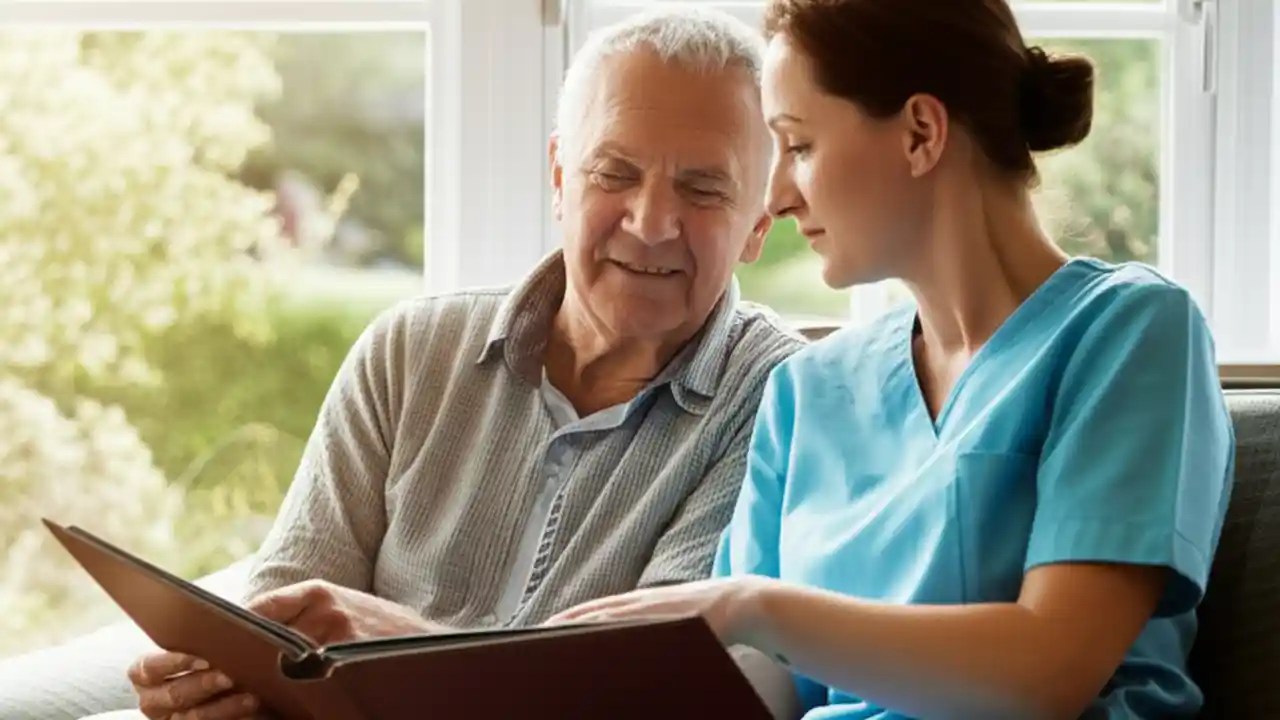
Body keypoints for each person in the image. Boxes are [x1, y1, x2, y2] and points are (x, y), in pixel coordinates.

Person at [549, 0, 1236, 718]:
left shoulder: (1129, 332)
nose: (777, 195)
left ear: (919, 134)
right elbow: (760, 685)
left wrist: (755, 606)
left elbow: (1051, 669)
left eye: (800, 146)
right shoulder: (806, 391)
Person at [118, 8, 803, 720]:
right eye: (614, 172)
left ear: (758, 223)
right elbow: (286, 613)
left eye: (702, 190)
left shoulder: (781, 402)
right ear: (560, 176)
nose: (651, 221)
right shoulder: (409, 351)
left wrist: (401, 647)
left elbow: (647, 693)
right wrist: (221, 679)